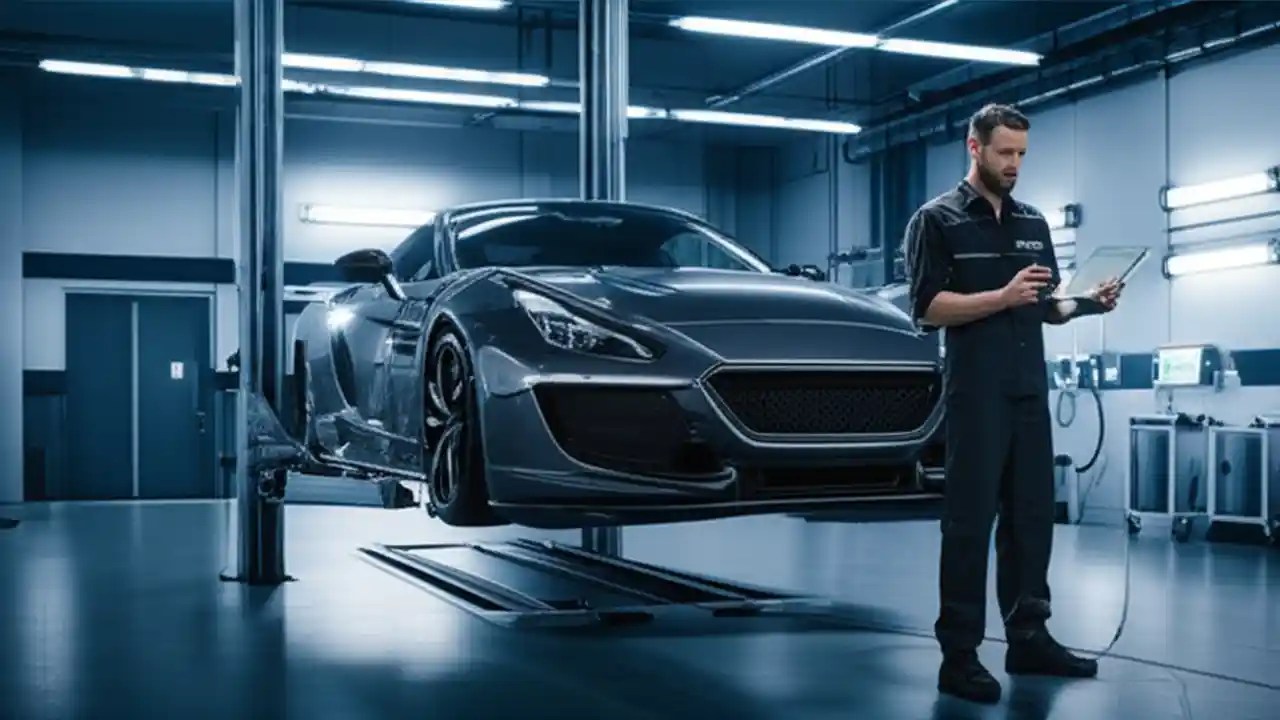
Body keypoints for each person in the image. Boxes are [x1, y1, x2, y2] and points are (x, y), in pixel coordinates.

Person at [902, 103, 1123, 705]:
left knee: (1031, 521)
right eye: (1005, 153)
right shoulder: (937, 220)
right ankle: (960, 656)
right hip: (975, 393)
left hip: (1029, 390)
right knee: (970, 524)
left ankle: (1029, 635)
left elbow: (1045, 304)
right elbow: (925, 308)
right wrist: (999, 297)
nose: (1015, 164)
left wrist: (1086, 302)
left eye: (1023, 154)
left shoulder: (1033, 222)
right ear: (975, 148)